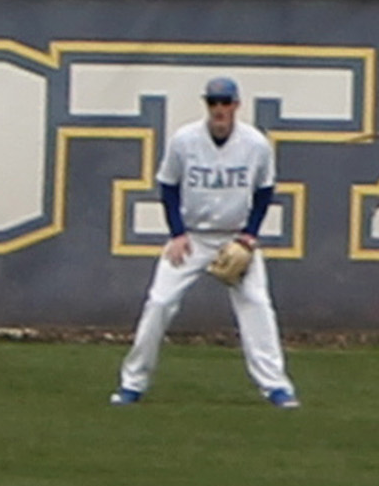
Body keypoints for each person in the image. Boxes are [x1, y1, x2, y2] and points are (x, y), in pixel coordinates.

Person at [110, 76, 300, 409]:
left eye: (225, 102)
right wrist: (177, 233)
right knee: (159, 302)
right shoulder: (185, 140)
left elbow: (264, 190)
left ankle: (276, 387)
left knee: (257, 304)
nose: (219, 109)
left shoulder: (255, 144)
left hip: (235, 236)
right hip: (193, 236)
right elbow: (168, 185)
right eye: (213, 102)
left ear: (236, 105)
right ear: (206, 105)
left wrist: (249, 235)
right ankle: (133, 383)